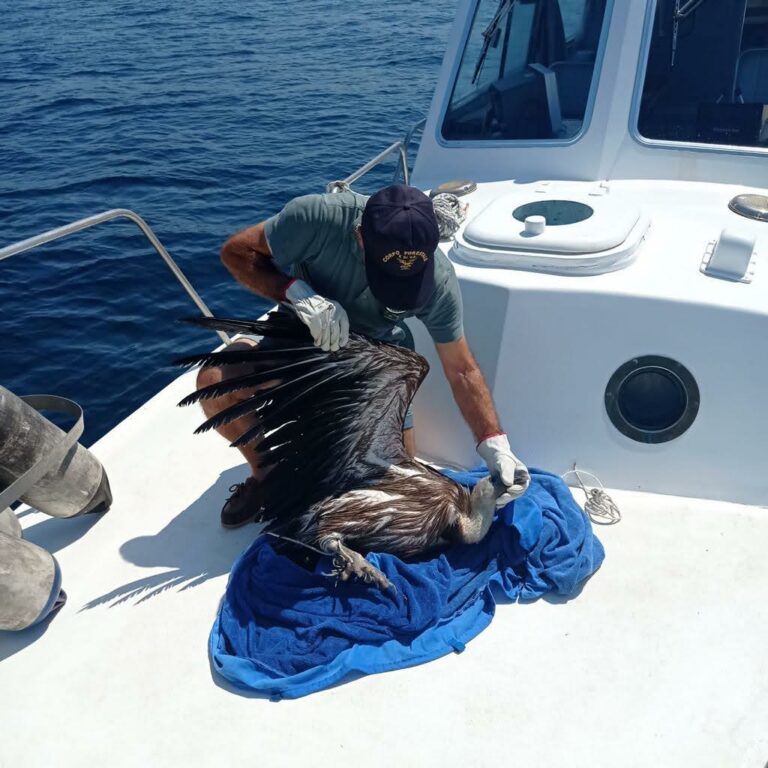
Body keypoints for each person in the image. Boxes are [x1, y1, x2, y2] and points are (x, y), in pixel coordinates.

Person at [199, 183, 530, 527]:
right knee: (215, 382)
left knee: (396, 489)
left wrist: (494, 444)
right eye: (385, 277)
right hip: (300, 337)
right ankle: (266, 477)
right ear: (359, 236)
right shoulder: (317, 217)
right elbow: (236, 253)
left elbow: (461, 369)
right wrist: (294, 291)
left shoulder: (439, 279)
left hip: (378, 359)